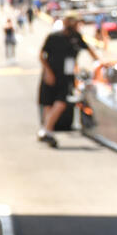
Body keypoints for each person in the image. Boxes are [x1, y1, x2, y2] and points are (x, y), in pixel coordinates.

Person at [37, 12, 97, 147]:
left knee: (61, 103)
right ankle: (47, 130)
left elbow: (90, 50)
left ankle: (46, 131)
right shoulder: (54, 37)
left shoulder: (76, 38)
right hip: (51, 74)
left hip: (66, 77)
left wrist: (99, 63)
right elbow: (42, 55)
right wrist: (48, 72)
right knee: (49, 104)